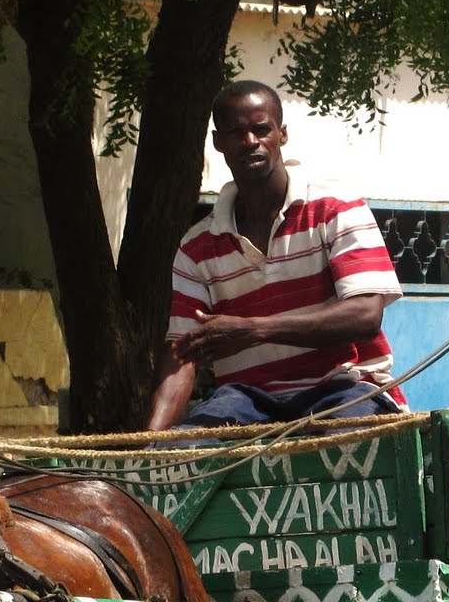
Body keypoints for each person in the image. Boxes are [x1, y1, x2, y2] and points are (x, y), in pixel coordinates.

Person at [145, 79, 405, 431]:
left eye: (261, 129)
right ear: (218, 142)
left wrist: (255, 330)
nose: (250, 141)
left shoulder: (335, 208)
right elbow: (181, 356)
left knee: (347, 442)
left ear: (282, 134)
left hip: (344, 390)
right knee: (185, 452)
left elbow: (365, 314)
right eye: (236, 132)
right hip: (245, 402)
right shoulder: (196, 247)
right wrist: (147, 447)